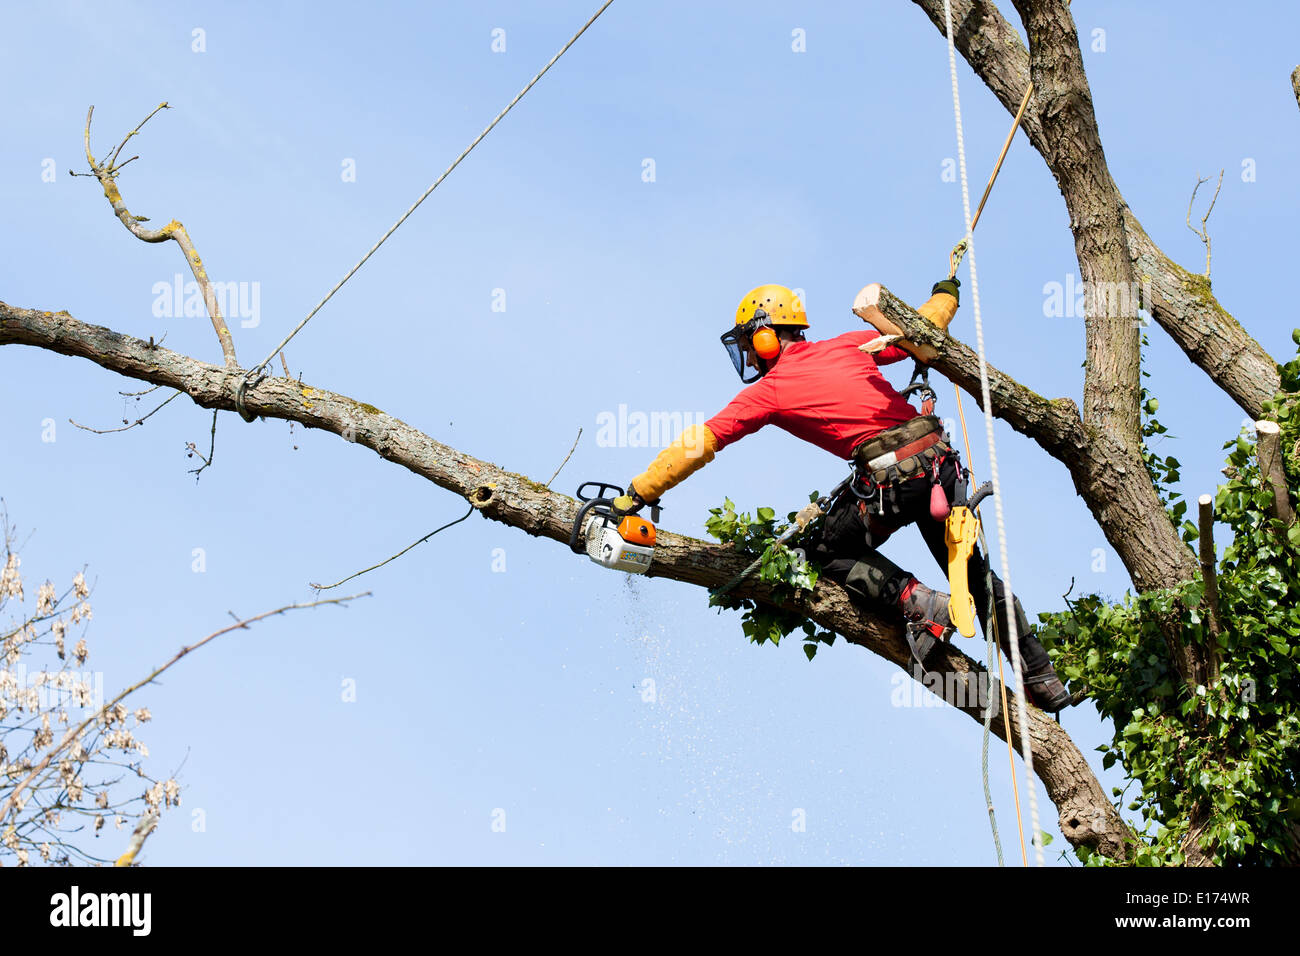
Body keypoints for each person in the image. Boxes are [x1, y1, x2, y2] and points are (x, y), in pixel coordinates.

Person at [615, 283, 1071, 712]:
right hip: (938, 467)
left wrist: (638, 492)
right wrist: (944, 294)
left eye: (750, 344)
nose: (751, 358)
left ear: (765, 336)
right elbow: (922, 326)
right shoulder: (849, 344)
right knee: (973, 577)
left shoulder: (769, 391)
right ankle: (1042, 676)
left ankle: (918, 601)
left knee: (824, 552)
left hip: (891, 480)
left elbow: (700, 442)